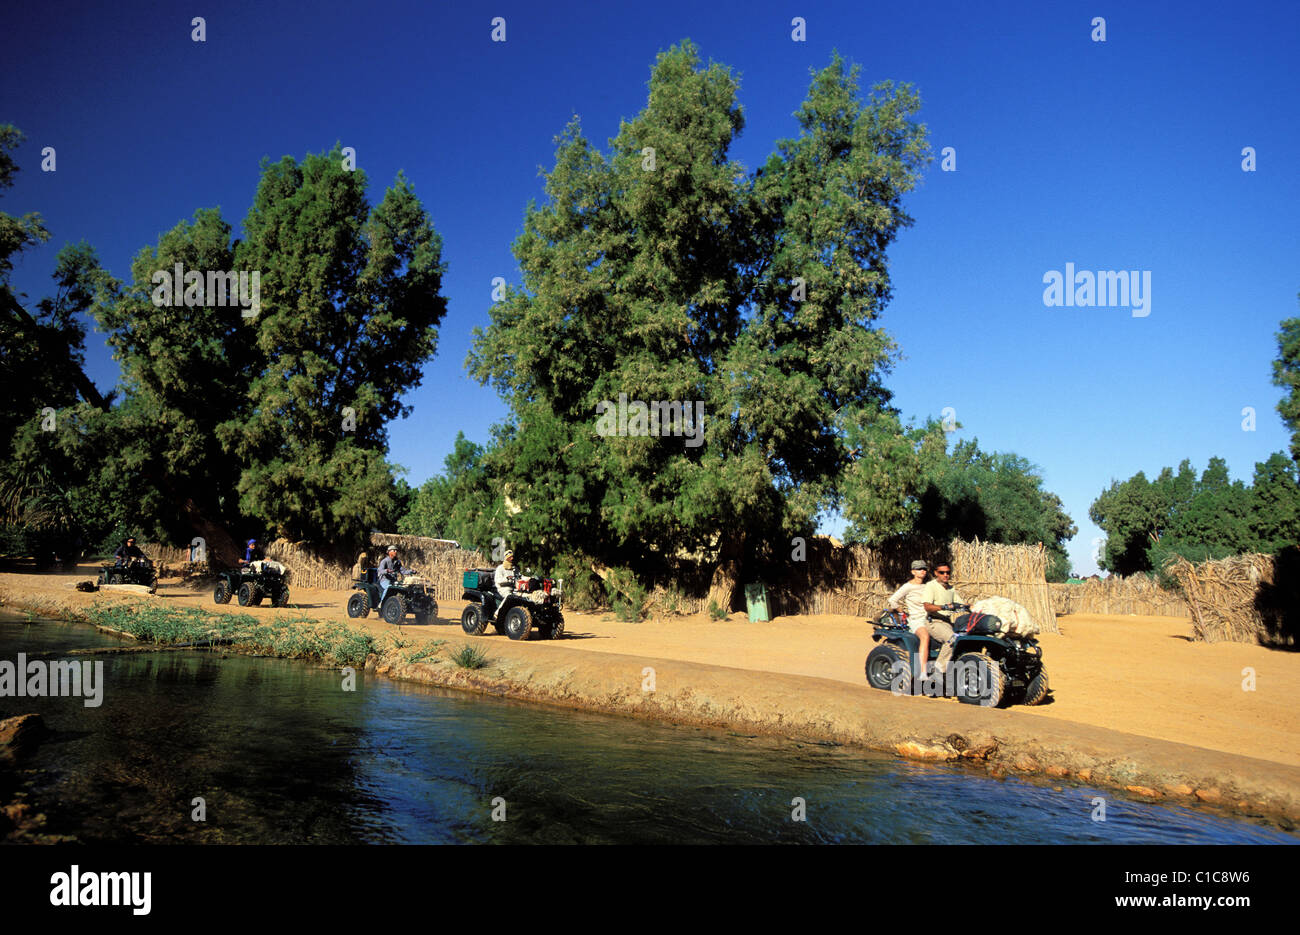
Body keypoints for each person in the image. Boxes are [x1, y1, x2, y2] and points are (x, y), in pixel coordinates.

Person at [887, 560, 935, 679]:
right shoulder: (908, 587)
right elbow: (892, 600)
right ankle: (923, 672)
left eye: (924, 568)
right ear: (913, 572)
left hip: (930, 619)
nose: (922, 571)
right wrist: (901, 612)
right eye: (919, 569)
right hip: (917, 620)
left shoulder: (928, 586)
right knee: (924, 636)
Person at [921, 562, 963, 674]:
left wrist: (974, 607)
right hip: (934, 622)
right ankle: (938, 672)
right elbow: (927, 606)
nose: (945, 575)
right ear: (936, 573)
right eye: (942, 572)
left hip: (947, 623)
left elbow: (961, 604)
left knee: (964, 637)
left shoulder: (951, 589)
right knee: (952, 639)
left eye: (948, 572)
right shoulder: (931, 586)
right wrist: (943, 607)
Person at [493, 550, 517, 616]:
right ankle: (497, 613)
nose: (512, 558)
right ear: (506, 558)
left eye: (512, 557)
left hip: (513, 588)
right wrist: (507, 579)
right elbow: (498, 580)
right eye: (510, 557)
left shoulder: (514, 568)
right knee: (509, 596)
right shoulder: (500, 568)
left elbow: (520, 576)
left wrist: (529, 578)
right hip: (503, 588)